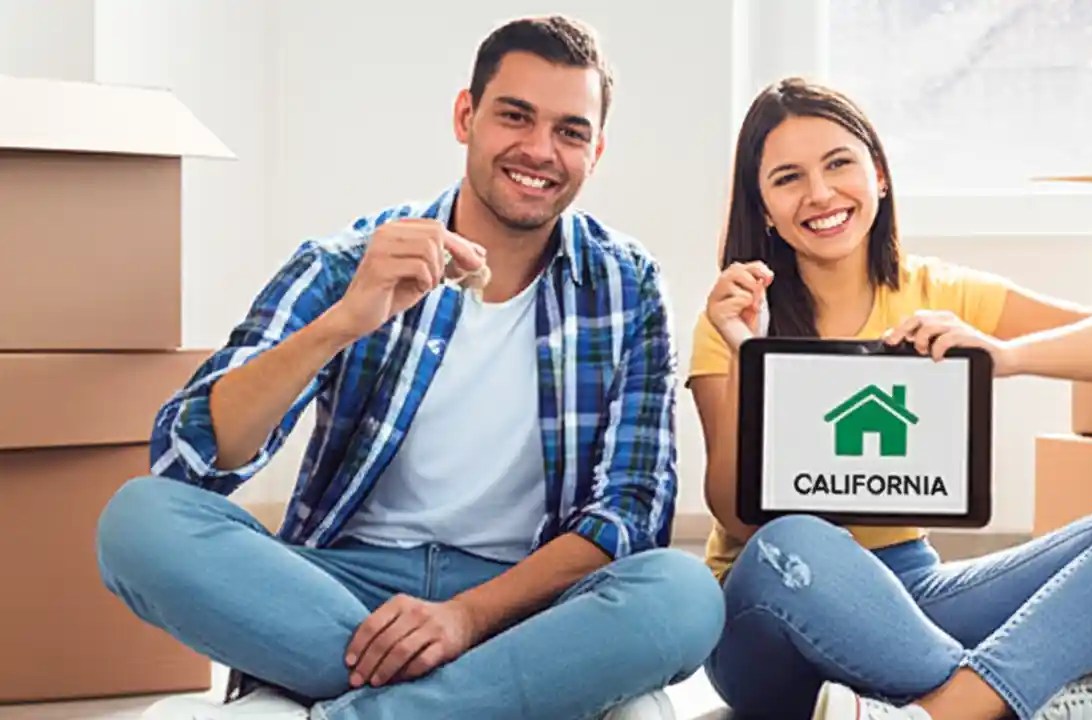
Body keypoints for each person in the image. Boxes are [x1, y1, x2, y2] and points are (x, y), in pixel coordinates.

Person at [95, 15, 725, 720]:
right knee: (137, 521)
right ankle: (482, 699)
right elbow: (191, 461)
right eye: (515, 116)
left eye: (570, 131)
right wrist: (343, 324)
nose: (540, 150)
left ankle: (364, 709)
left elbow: (630, 515)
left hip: (524, 604)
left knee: (684, 593)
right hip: (342, 589)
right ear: (466, 116)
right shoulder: (350, 263)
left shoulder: (627, 284)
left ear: (595, 151)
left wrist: (463, 618)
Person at [686, 77, 1092, 720]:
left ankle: (938, 710)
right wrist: (749, 355)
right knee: (794, 537)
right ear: (763, 205)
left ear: (878, 174)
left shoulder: (938, 290)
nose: (820, 194)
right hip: (773, 610)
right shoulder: (736, 314)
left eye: (839, 163)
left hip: (910, 590)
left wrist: (1006, 356)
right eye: (788, 178)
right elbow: (738, 518)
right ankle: (1014, 704)